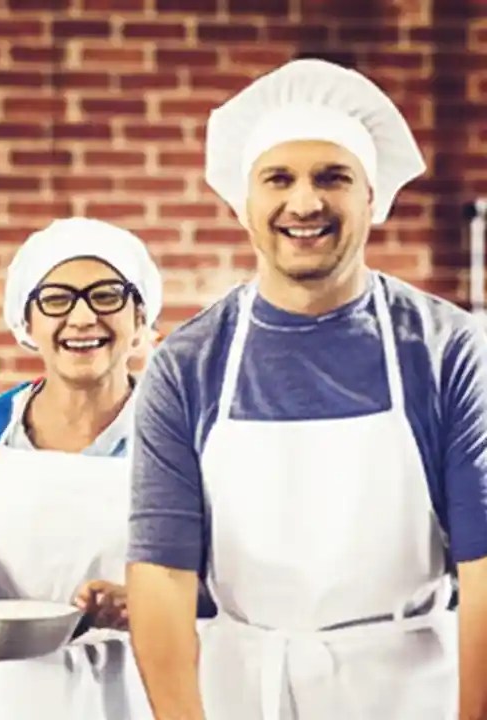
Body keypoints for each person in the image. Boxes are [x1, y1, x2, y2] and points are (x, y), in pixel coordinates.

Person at [126, 58, 487, 719]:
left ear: (371, 198)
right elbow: (161, 575)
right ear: (244, 202)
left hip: (409, 698)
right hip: (244, 696)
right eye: (278, 179)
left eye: (333, 177)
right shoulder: (185, 365)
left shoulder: (449, 351)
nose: (305, 202)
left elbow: (485, 567)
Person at [0, 218, 163, 719]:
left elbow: (223, 583)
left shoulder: (177, 429)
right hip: (12, 693)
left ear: (139, 315)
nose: (82, 318)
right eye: (57, 299)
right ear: (27, 323)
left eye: (106, 295)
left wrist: (147, 603)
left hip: (143, 688)